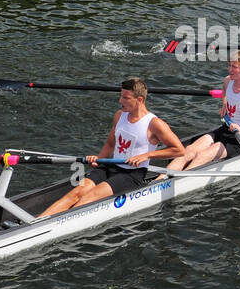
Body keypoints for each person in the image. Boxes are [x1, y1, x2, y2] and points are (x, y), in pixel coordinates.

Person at [38, 78, 185, 217]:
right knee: (76, 193)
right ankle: (37, 223)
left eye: (126, 98)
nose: (120, 101)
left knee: (88, 198)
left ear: (139, 100)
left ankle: (56, 227)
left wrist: (147, 155)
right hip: (110, 166)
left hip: (131, 175)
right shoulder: (120, 115)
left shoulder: (154, 124)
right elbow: (110, 144)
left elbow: (179, 150)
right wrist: (99, 160)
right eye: (121, 96)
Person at [164, 51, 240, 171]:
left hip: (239, 139)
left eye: (234, 67)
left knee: (202, 156)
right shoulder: (228, 81)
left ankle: (178, 181)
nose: (230, 70)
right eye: (229, 65)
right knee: (189, 150)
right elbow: (224, 90)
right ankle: (160, 180)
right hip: (225, 129)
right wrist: (225, 104)